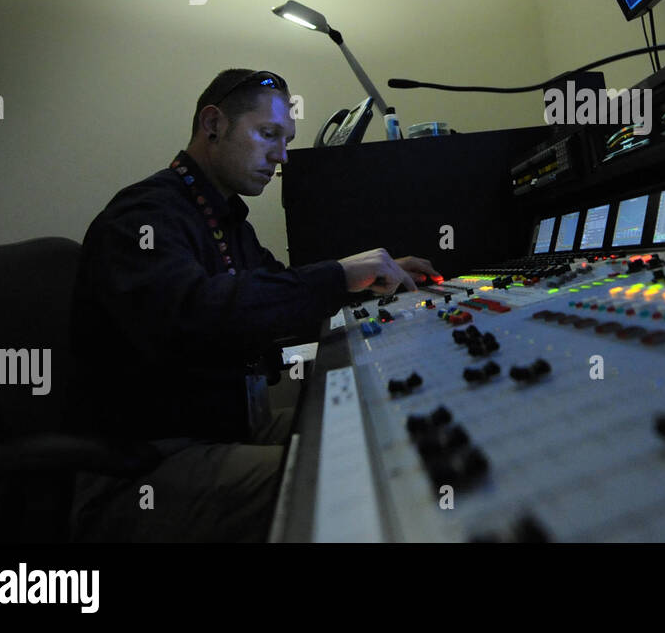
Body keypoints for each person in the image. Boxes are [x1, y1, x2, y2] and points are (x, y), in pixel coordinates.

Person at [66, 68, 438, 542]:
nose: (281, 156)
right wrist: (338, 274)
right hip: (141, 467)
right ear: (213, 124)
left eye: (287, 140)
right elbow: (198, 312)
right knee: (366, 475)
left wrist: (367, 284)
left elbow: (275, 292)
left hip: (225, 429)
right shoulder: (143, 215)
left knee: (387, 426)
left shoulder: (227, 220)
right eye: (268, 135)